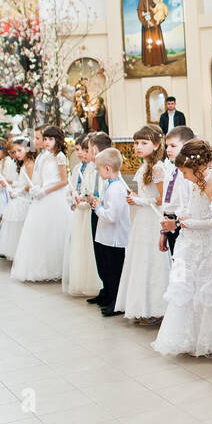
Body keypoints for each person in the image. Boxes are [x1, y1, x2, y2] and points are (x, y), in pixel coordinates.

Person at [152, 139, 212, 357]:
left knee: (206, 295)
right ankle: (191, 338)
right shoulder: (198, 182)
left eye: (185, 172)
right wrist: (182, 218)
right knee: (188, 291)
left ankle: (209, 342)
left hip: (208, 247)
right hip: (192, 245)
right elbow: (197, 211)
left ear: (197, 167)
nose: (184, 177)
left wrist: (183, 223)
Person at [114, 126, 172, 324]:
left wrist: (140, 201)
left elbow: (162, 198)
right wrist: (137, 198)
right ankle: (142, 306)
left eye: (144, 143)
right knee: (140, 260)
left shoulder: (158, 167)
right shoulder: (145, 166)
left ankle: (156, 308)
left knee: (153, 262)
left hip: (153, 218)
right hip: (142, 219)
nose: (138, 146)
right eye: (136, 143)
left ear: (156, 145)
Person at [10, 127, 71, 282]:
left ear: (58, 140)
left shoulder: (60, 157)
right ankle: (42, 268)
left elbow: (64, 181)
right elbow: (41, 177)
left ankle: (57, 267)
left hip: (54, 196)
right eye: (45, 139)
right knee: (40, 232)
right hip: (42, 195)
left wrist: (46, 191)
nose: (47, 142)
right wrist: (37, 188)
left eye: (50, 139)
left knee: (54, 232)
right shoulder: (44, 156)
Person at [91, 147, 130, 316]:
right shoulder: (110, 184)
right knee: (108, 269)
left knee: (115, 272)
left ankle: (117, 302)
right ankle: (109, 297)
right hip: (107, 237)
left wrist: (97, 208)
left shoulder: (116, 188)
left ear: (107, 168)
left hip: (115, 238)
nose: (98, 172)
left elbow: (112, 216)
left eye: (98, 168)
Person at [61, 136, 102, 298]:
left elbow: (93, 189)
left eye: (85, 150)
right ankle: (80, 280)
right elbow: (72, 187)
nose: (81, 153)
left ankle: (92, 281)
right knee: (78, 244)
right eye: (78, 150)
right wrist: (72, 199)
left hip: (88, 210)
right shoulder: (77, 168)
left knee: (88, 245)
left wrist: (84, 198)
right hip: (78, 211)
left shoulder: (94, 168)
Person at [159, 125, 194, 257]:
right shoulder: (171, 168)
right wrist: (163, 232)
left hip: (184, 226)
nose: (168, 150)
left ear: (186, 146)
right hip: (170, 225)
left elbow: (191, 205)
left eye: (173, 146)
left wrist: (177, 224)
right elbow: (166, 202)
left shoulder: (190, 172)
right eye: (167, 146)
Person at [0, 143, 33, 261]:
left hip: (25, 199)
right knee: (14, 225)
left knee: (20, 225)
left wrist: (19, 192)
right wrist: (11, 183)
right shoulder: (23, 164)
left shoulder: (29, 164)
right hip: (19, 196)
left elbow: (30, 184)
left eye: (19, 151)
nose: (17, 154)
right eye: (14, 152)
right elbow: (22, 181)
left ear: (27, 149)